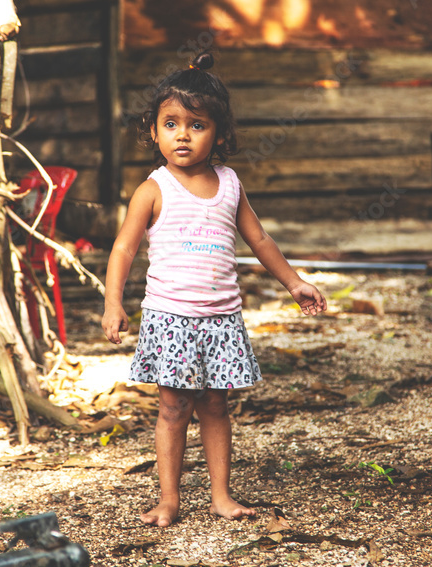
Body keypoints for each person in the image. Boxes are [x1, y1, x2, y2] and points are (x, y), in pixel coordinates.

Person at [102, 52, 327, 527]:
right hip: (171, 319)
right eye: (171, 124)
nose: (182, 135)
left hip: (222, 319)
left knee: (215, 405)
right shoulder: (153, 189)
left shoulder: (229, 184)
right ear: (154, 132)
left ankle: (221, 496)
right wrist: (112, 303)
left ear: (219, 134)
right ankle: (169, 499)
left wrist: (294, 282)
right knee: (173, 408)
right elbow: (123, 248)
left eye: (197, 125)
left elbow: (259, 239)